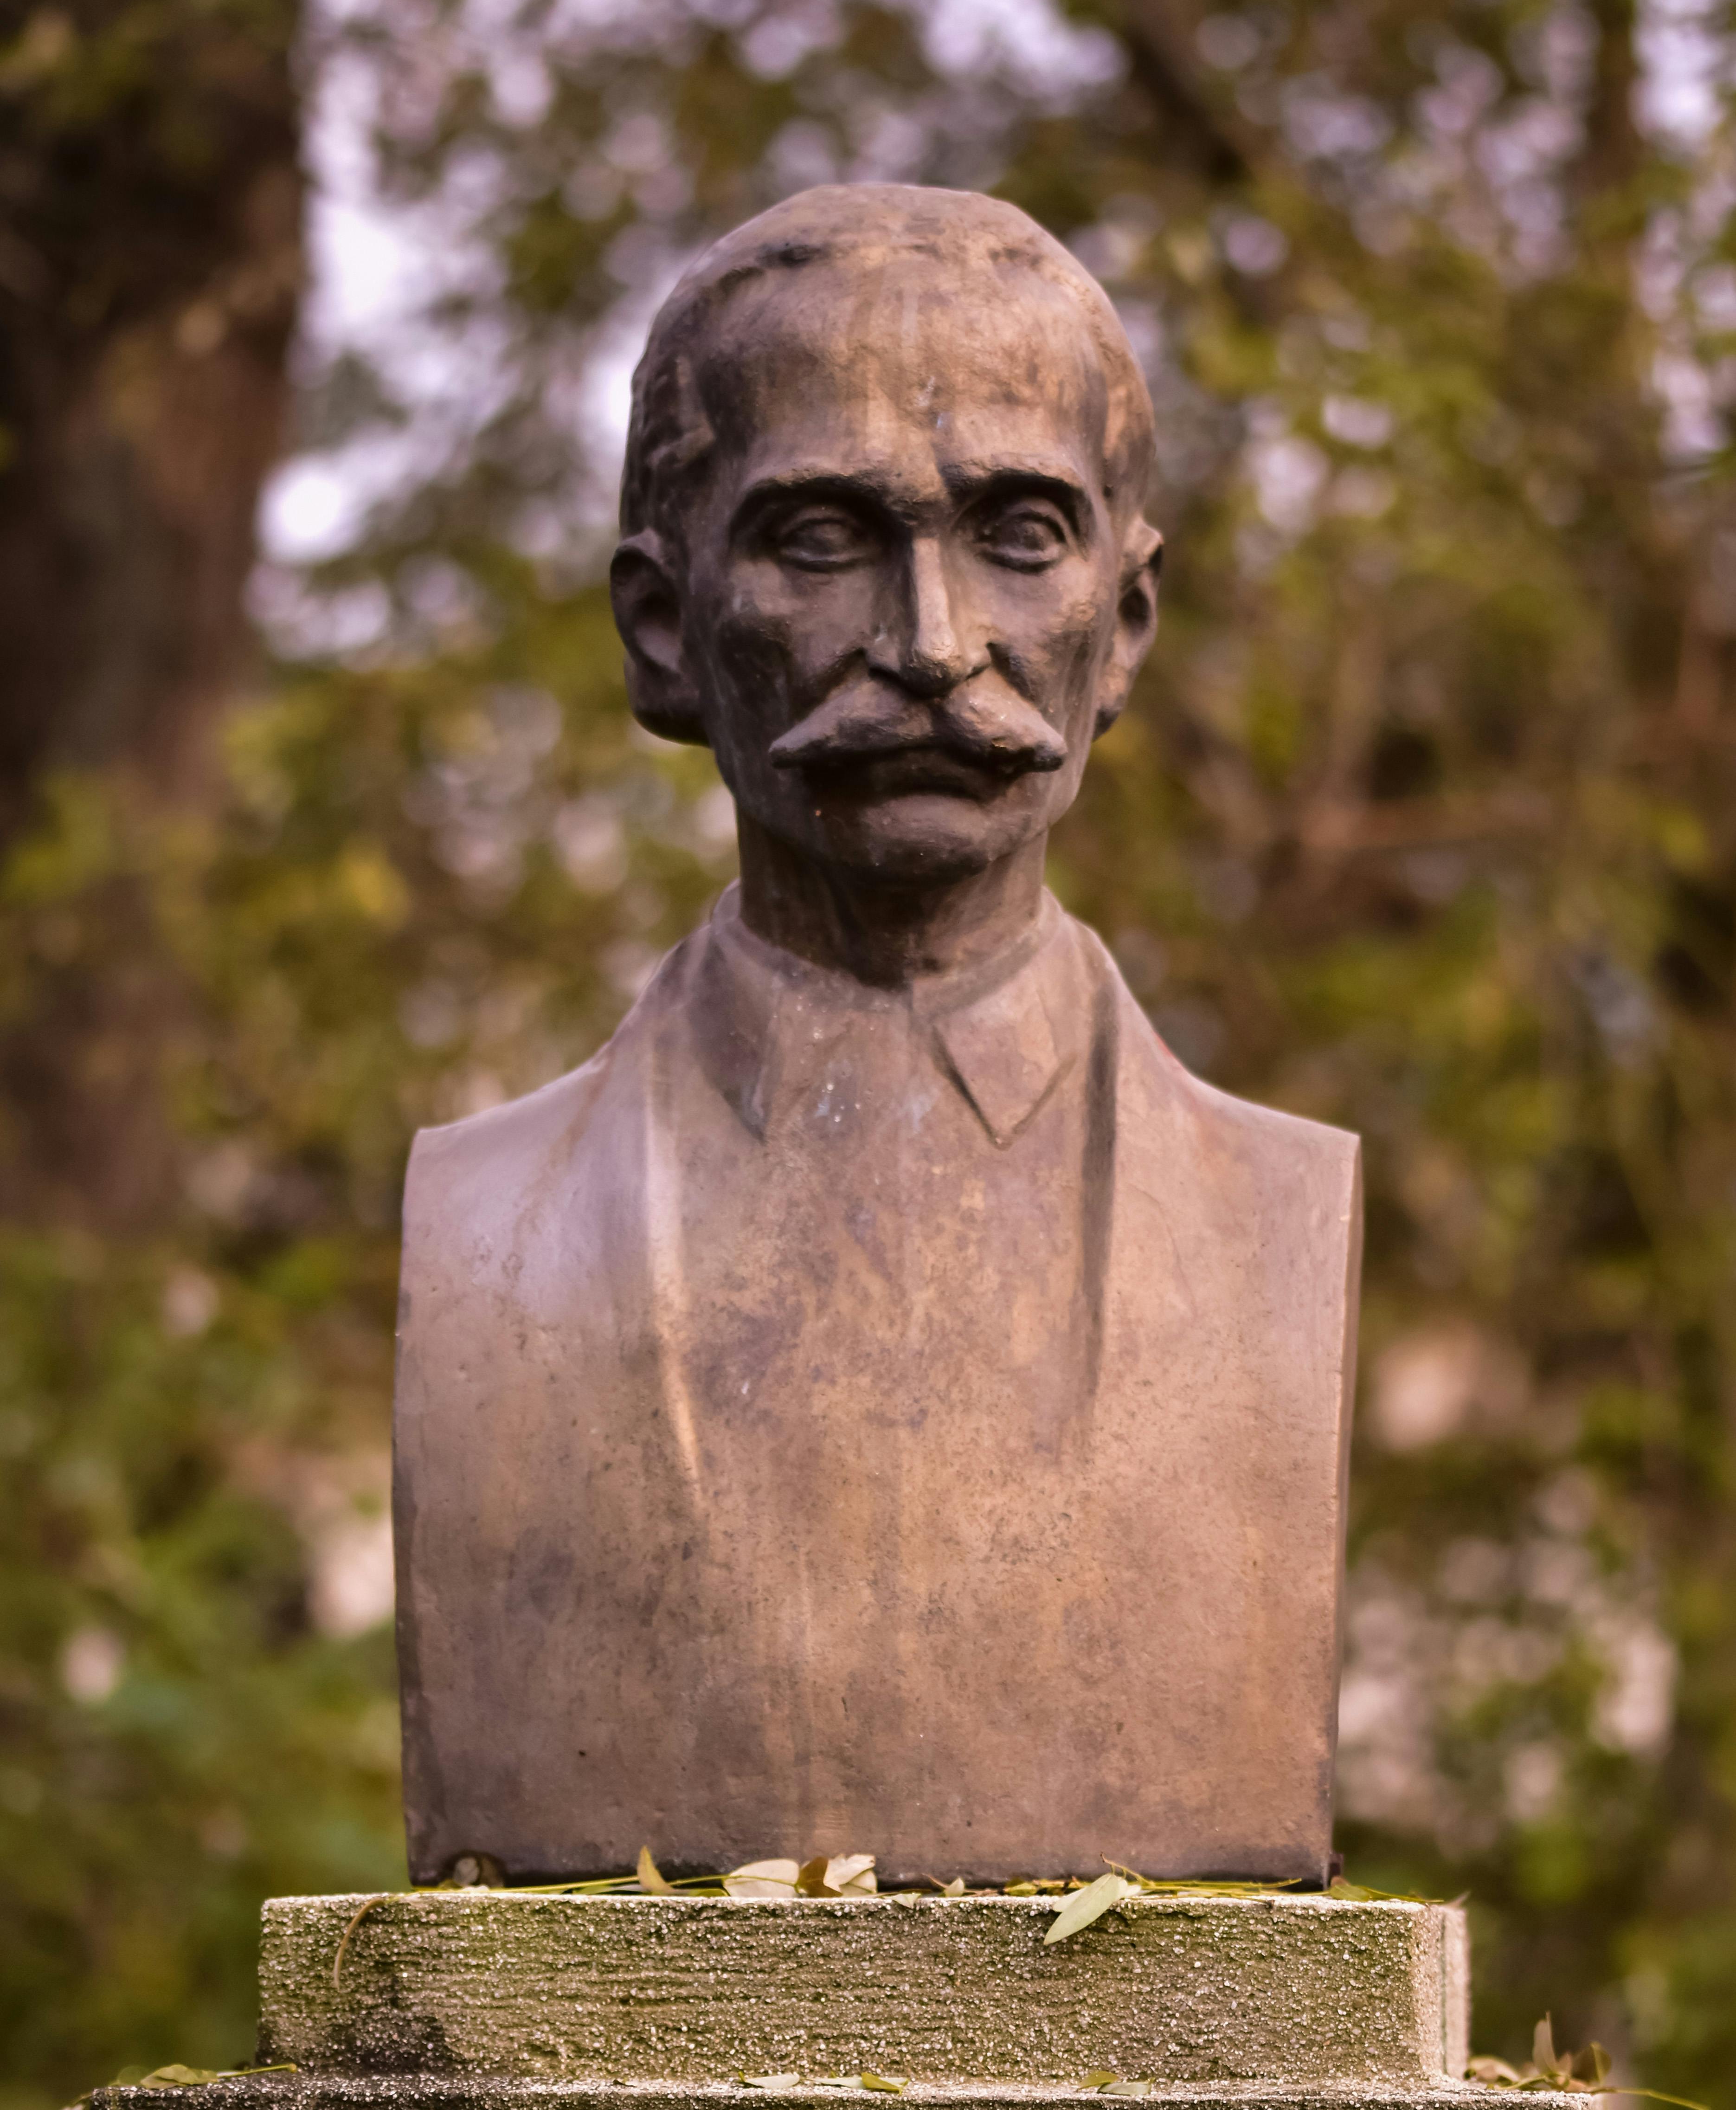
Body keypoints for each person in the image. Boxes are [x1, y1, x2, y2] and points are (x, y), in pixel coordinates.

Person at [393, 184, 1360, 1889]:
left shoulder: (1278, 1223)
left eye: (1020, 536)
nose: (932, 644)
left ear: (1123, 627)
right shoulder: (485, 1236)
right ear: (664, 630)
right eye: (824, 541)